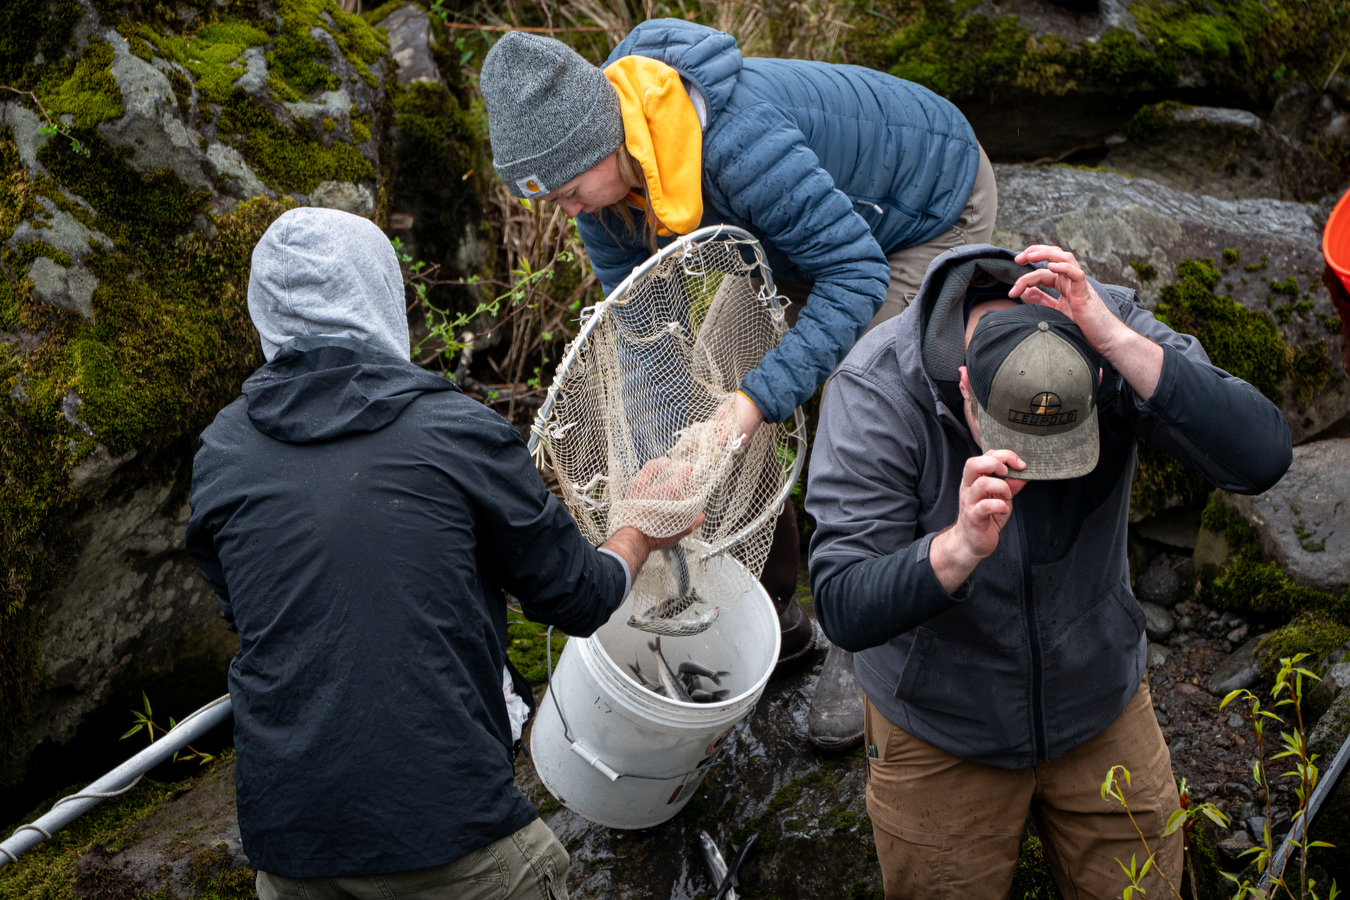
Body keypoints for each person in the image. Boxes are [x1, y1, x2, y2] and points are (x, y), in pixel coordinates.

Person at [478, 21, 997, 708]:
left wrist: (754, 404)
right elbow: (646, 339)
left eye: (569, 190)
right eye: (550, 201)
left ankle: (875, 639)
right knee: (714, 382)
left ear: (606, 140)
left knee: (859, 391)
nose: (566, 210)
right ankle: (774, 610)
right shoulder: (601, 204)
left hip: (923, 212)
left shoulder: (733, 142)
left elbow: (854, 272)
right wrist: (668, 464)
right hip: (795, 239)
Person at [186, 207, 696, 900]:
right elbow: (577, 597)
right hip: (450, 830)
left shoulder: (223, 452)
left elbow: (247, 610)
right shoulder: (452, 430)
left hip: (289, 846)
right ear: (380, 296)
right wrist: (638, 528)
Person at [806, 243, 1293, 898]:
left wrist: (1118, 341)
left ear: (1093, 383)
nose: (1033, 476)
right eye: (1016, 445)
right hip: (940, 727)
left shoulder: (1104, 331)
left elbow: (1262, 455)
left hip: (1100, 702)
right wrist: (955, 550)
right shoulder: (876, 389)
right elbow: (840, 603)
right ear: (965, 392)